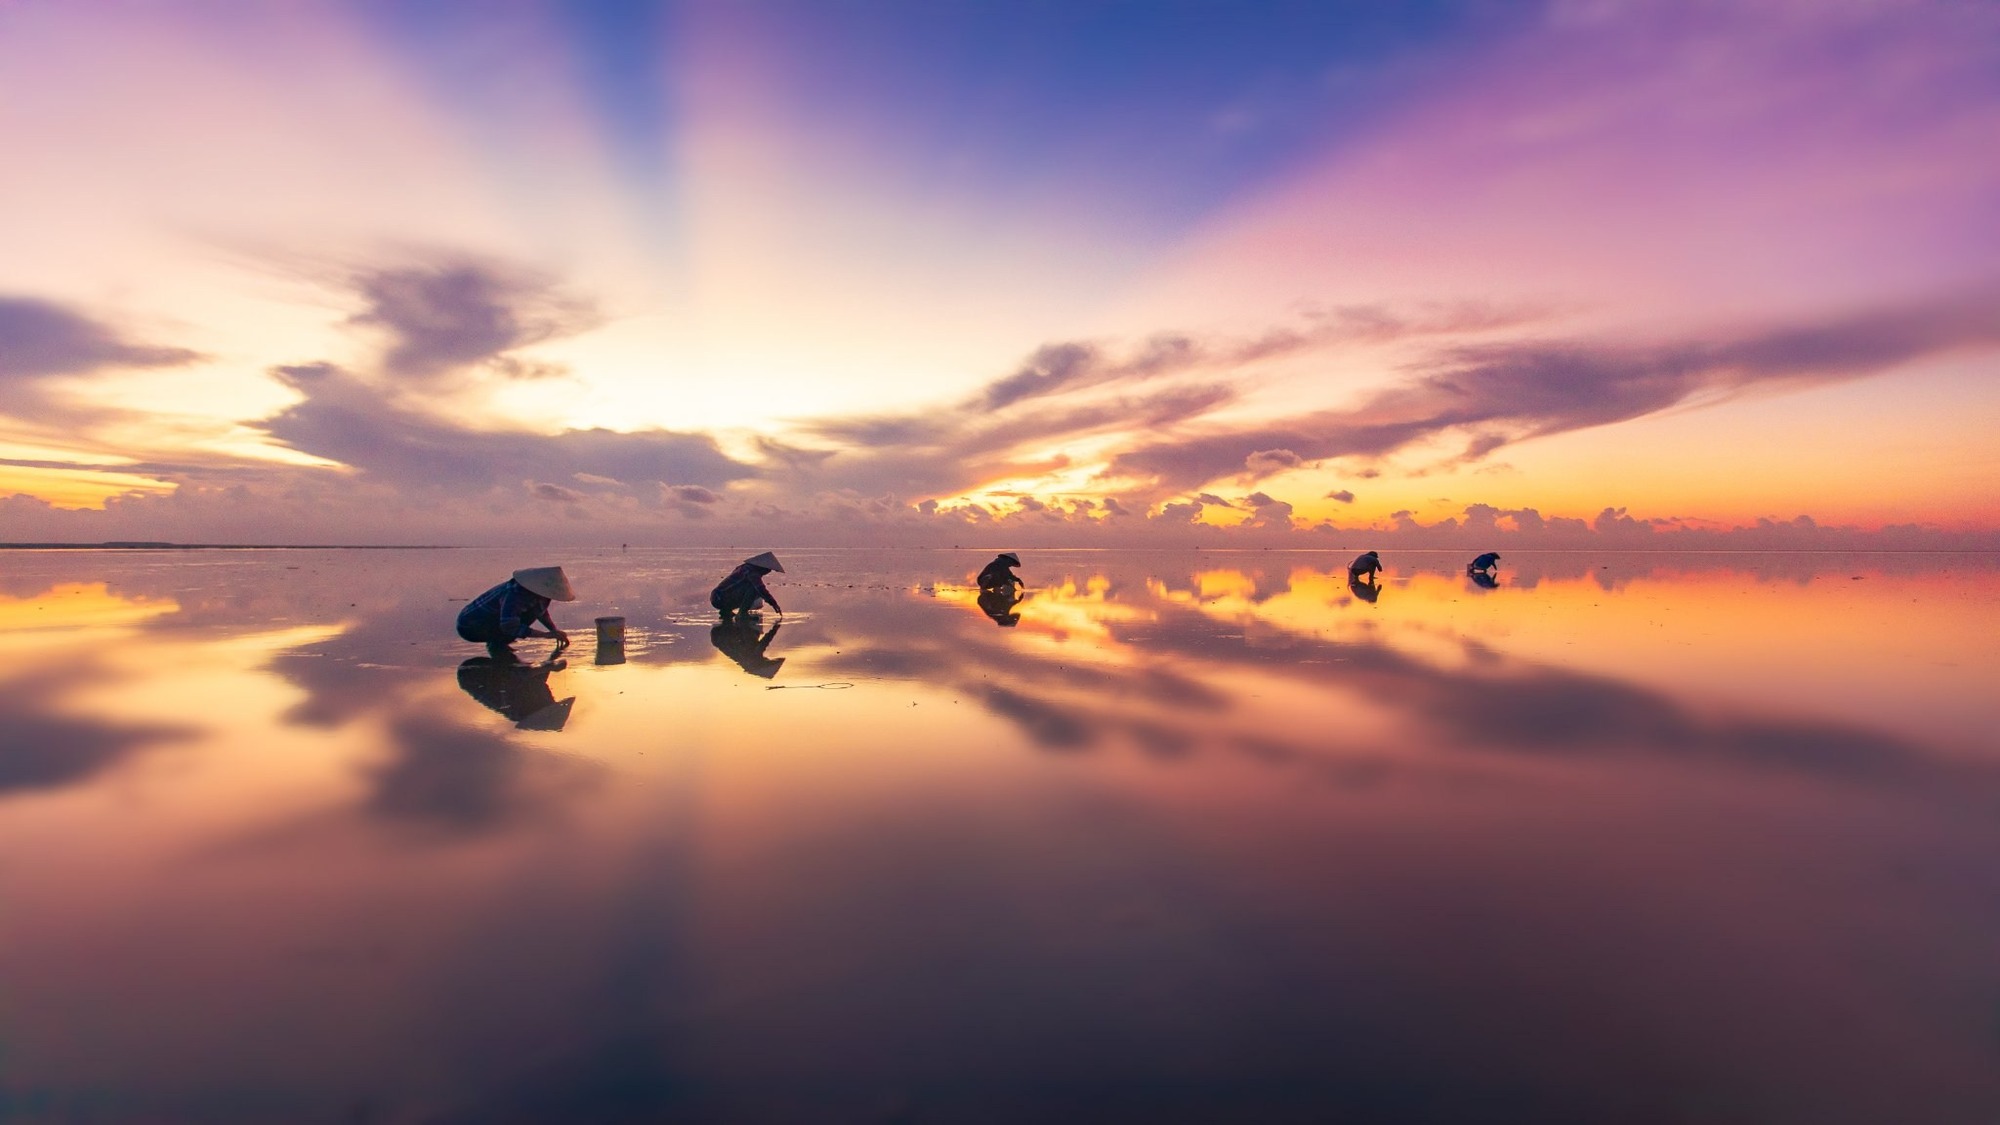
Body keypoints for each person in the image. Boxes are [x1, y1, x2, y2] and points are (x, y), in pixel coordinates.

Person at [456, 566, 574, 651]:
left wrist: (553, 630)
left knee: (528, 615)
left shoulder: (540, 596)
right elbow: (509, 625)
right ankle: (497, 645)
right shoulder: (515, 595)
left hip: (492, 622)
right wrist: (545, 635)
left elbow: (541, 612)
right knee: (516, 624)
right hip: (470, 627)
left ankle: (498, 643)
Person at [711, 552, 784, 619]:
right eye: (768, 570)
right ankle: (742, 613)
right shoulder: (751, 572)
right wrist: (773, 603)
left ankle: (726, 611)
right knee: (754, 589)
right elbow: (761, 589)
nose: (767, 572)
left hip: (717, 597)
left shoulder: (744, 567)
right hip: (720, 598)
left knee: (753, 589)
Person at [710, 618, 786, 678]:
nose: (767, 659)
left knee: (752, 636)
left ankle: (743, 619)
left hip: (720, 635)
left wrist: (775, 628)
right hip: (719, 636)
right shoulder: (746, 661)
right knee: (753, 635)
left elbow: (764, 642)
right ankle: (742, 619)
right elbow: (764, 642)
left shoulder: (752, 657)